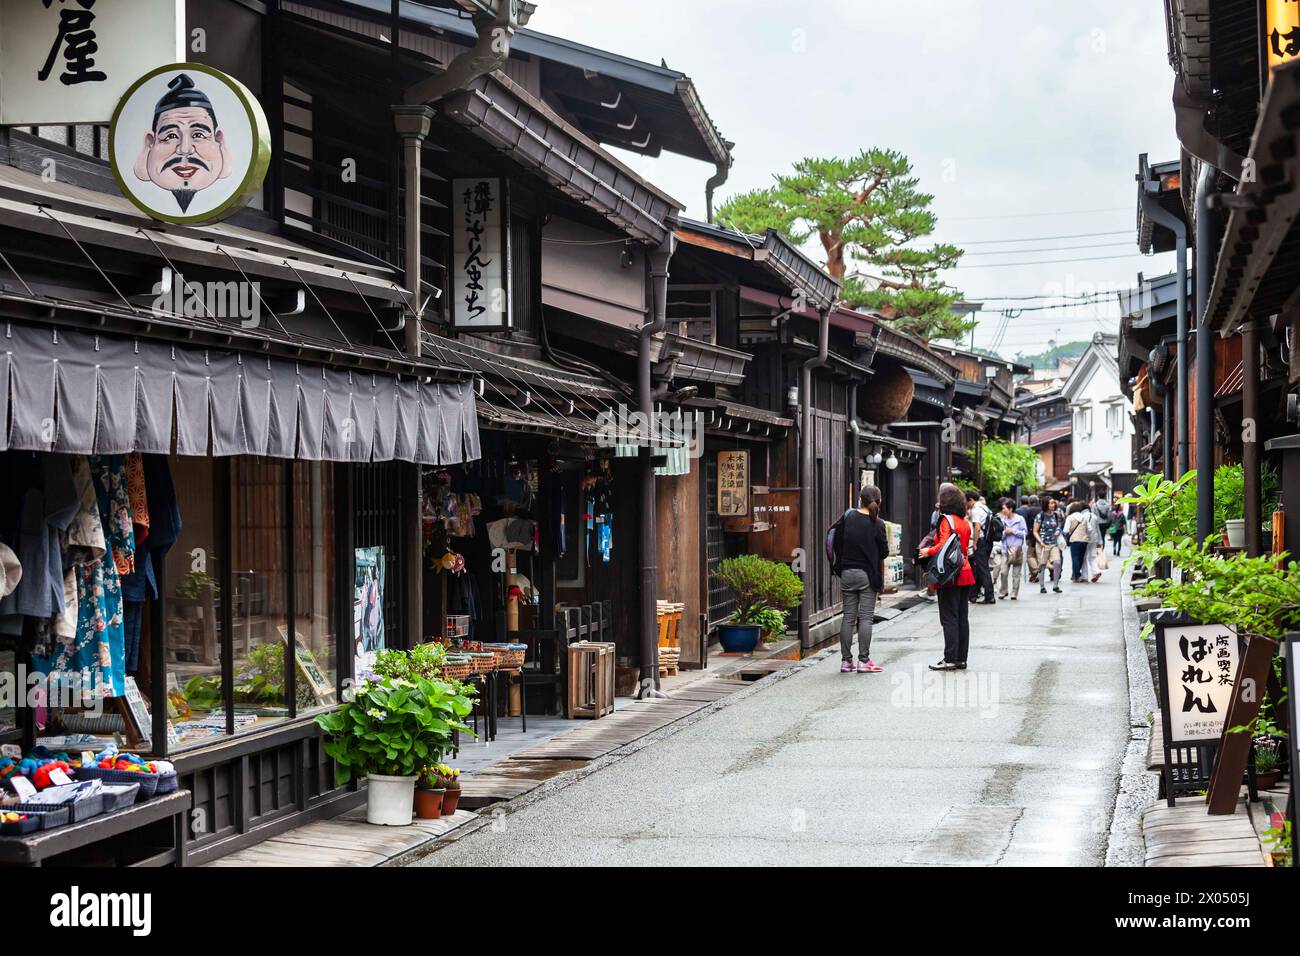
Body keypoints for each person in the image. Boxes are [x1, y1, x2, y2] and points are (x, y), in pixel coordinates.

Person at [830, 484, 888, 674]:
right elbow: (884, 552)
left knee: (848, 617)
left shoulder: (848, 517)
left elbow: (835, 539)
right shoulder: (878, 524)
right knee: (865, 618)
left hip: (847, 572)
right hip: (867, 575)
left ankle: (846, 662)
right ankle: (864, 661)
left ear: (860, 499)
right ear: (878, 501)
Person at [920, 483, 975, 671]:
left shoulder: (946, 520)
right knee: (961, 617)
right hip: (965, 570)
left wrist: (927, 551)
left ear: (945, 502)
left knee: (949, 617)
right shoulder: (964, 522)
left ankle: (949, 658)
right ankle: (961, 658)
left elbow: (943, 545)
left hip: (951, 574)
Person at [966, 490, 995, 605]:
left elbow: (977, 527)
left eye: (966, 501)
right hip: (988, 541)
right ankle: (973, 595)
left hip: (981, 542)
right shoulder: (984, 508)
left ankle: (990, 596)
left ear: (970, 500)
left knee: (983, 569)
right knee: (979, 568)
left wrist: (974, 543)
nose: (966, 504)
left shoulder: (976, 510)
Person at [997, 498, 1028, 599]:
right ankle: (1004, 591)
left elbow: (1025, 533)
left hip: (1017, 550)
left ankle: (1014, 593)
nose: (1003, 510)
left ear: (1010, 509)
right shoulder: (1002, 520)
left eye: (1004, 508)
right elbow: (999, 536)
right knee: (1003, 572)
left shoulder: (1020, 519)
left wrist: (1013, 531)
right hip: (1005, 550)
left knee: (1016, 574)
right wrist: (1004, 533)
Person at [1034, 497, 1065, 594]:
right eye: (1051, 503)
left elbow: (1059, 526)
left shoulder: (1055, 515)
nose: (1053, 505)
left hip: (1053, 543)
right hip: (1042, 544)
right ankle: (1042, 586)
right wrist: (1040, 542)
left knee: (1057, 562)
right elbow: (1035, 531)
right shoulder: (1040, 516)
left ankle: (1055, 585)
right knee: (1042, 565)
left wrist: (1058, 531)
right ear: (1046, 504)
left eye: (1054, 503)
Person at [1064, 501, 1092, 582]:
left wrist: (1069, 532)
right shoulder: (1084, 517)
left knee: (1075, 558)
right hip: (1084, 540)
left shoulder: (1070, 517)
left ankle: (1077, 575)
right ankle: (1075, 575)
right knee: (1081, 558)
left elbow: (1065, 530)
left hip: (1074, 540)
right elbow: (1090, 529)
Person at [1017, 495, 1042, 582]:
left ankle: (1035, 570)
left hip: (1032, 535)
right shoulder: (1042, 509)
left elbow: (1025, 523)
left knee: (1030, 555)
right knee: (1038, 554)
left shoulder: (1028, 511)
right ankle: (1033, 576)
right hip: (1043, 534)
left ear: (1029, 502)